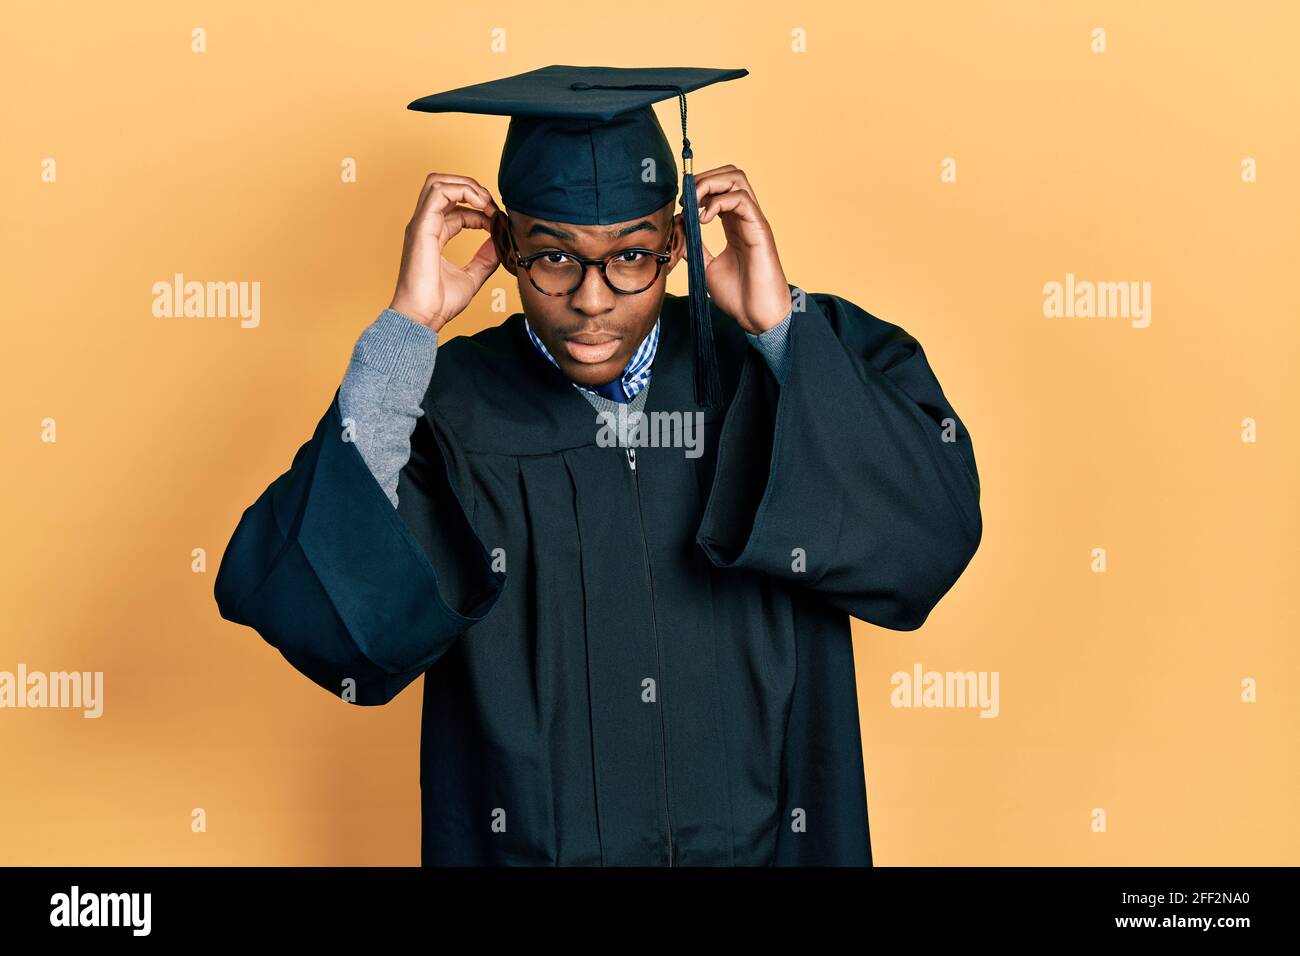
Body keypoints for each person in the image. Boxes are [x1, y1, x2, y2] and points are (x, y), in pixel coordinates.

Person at [214, 65, 983, 866]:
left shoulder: (772, 373)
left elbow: (930, 534)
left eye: (632, 255)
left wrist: (780, 325)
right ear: (506, 247)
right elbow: (322, 619)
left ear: (678, 243)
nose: (591, 298)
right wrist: (407, 330)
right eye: (552, 257)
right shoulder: (448, 408)